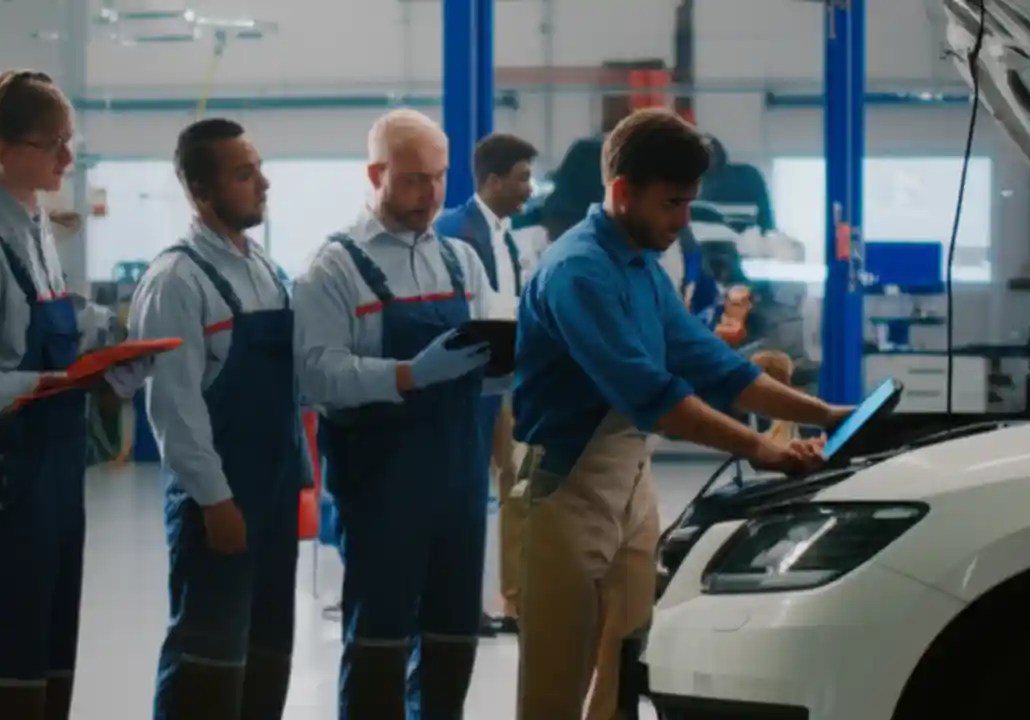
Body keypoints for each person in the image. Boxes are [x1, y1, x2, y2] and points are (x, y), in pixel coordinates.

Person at [512, 107, 850, 720]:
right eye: (672, 204)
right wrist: (762, 449)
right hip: (561, 489)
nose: (683, 220)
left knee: (624, 660)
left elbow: (713, 364)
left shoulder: (640, 263)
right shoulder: (578, 270)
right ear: (621, 193)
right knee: (558, 678)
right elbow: (654, 395)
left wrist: (824, 413)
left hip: (627, 483)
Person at [0, 70, 148, 720]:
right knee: (7, 661)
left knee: (49, 654)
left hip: (50, 479)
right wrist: (46, 383)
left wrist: (113, 350)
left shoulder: (35, 234)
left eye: (67, 141)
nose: (66, 159)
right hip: (1, 484)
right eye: (52, 144)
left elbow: (56, 324)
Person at [294, 108, 496, 719]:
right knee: (379, 641)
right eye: (412, 179)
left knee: (452, 640)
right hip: (382, 489)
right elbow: (315, 374)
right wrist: (408, 374)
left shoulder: (462, 260)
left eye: (438, 178)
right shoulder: (333, 268)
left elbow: (495, 356)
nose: (430, 194)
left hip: (460, 486)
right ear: (375, 173)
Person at [128, 118, 308, 720]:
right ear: (200, 193)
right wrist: (214, 500)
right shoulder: (176, 281)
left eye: (257, 168)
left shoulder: (265, 269)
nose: (263, 183)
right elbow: (173, 410)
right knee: (207, 664)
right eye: (242, 174)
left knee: (266, 655)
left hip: (275, 495)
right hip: (220, 503)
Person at [434, 132, 536, 637]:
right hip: (469, 386)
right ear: (493, 180)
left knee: (518, 487)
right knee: (465, 496)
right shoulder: (453, 230)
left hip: (503, 383)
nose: (530, 189)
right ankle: (457, 603)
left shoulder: (507, 235)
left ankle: (515, 604)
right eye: (522, 178)